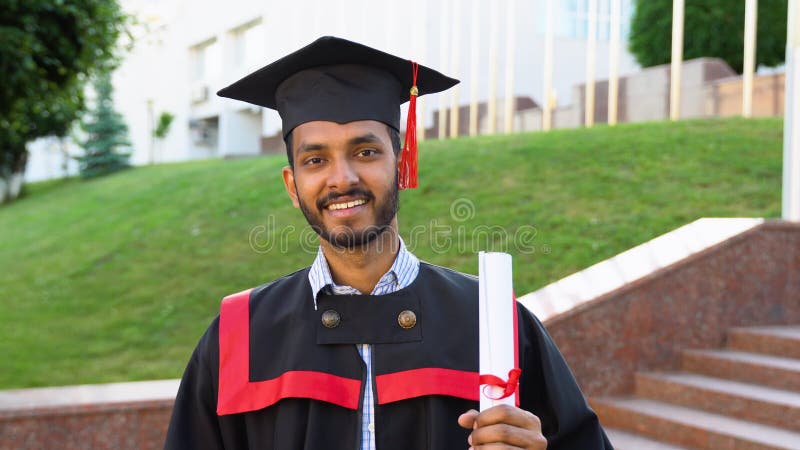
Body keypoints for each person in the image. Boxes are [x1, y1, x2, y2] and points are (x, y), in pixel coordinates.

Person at [164, 36, 612, 450]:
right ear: (292, 184)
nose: (343, 178)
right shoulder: (240, 334)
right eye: (316, 159)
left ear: (401, 163)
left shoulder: (493, 321)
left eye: (366, 152)